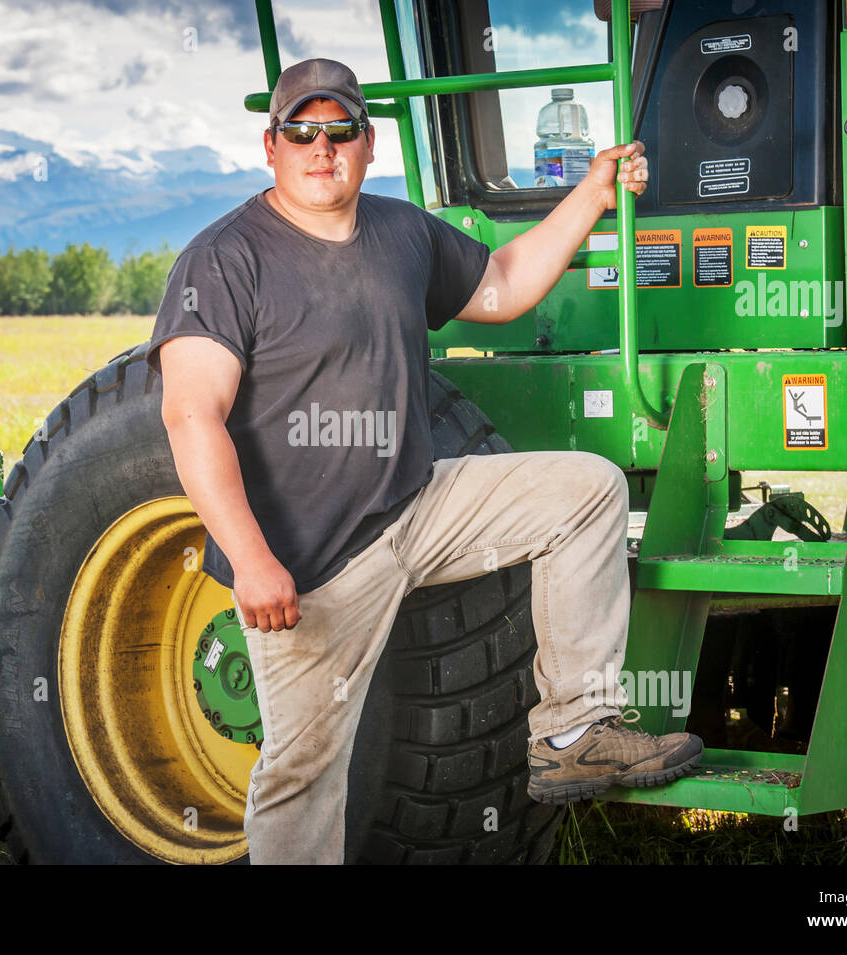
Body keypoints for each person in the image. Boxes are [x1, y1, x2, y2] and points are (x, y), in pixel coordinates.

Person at [146, 57, 702, 865]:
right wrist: (254, 558)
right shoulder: (225, 260)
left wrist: (591, 195)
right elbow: (191, 413)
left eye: (340, 130)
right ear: (271, 146)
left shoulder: (401, 231)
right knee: (301, 777)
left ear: (368, 144)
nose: (321, 147)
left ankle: (576, 729)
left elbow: (504, 285)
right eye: (301, 131)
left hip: (417, 505)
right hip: (311, 565)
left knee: (586, 491)